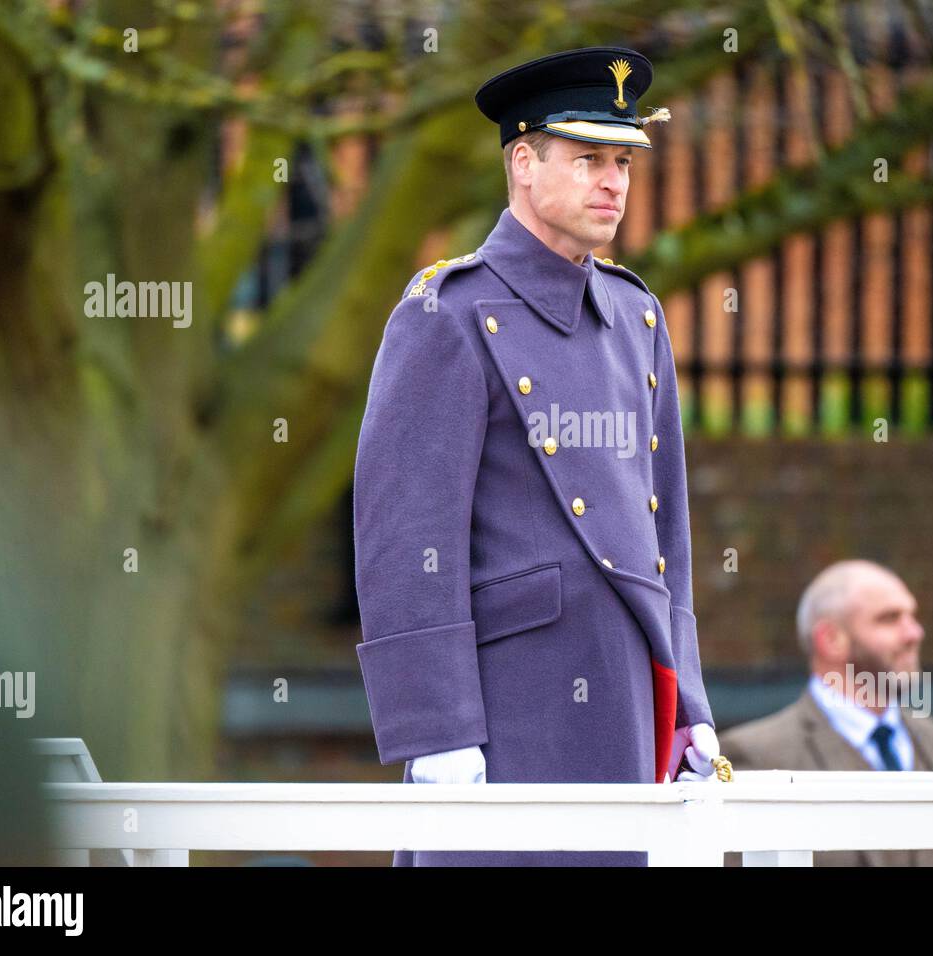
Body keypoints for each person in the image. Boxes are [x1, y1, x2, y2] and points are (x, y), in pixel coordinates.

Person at [351, 46, 727, 867]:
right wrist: (438, 734)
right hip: (509, 716)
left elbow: (667, 546)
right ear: (523, 162)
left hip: (630, 706)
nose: (614, 181)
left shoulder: (636, 315)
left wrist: (690, 703)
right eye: (588, 156)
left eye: (623, 159)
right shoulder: (446, 313)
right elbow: (405, 548)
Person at [718, 559, 933, 866]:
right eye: (889, 619)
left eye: (912, 616)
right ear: (831, 639)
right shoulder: (755, 755)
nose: (914, 633)